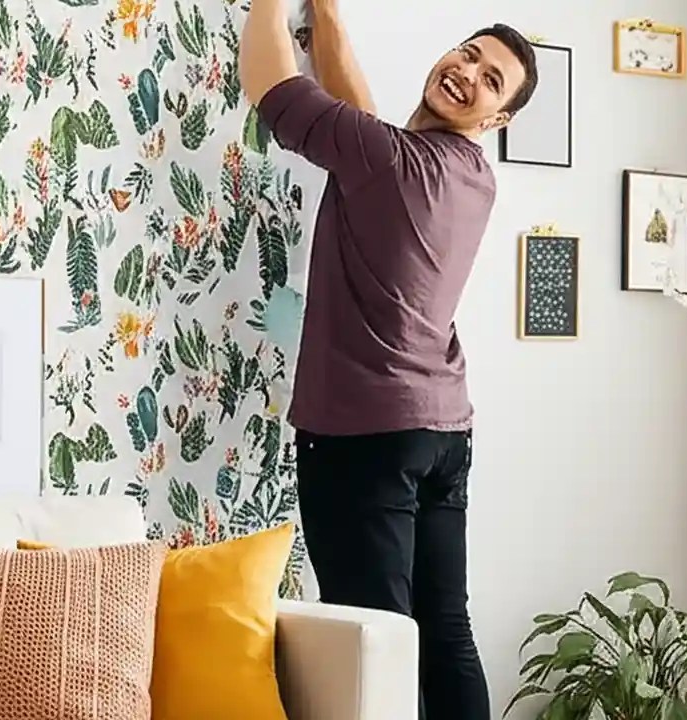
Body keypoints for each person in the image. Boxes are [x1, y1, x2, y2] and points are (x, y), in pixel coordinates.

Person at [239, 1, 539, 718]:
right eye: (467, 53)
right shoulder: (466, 176)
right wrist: (329, 12)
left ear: (497, 120)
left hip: (365, 438)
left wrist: (273, 8)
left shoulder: (390, 162)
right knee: (443, 630)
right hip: (441, 434)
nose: (467, 72)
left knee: (372, 640)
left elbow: (270, 87)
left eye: (490, 80)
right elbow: (362, 117)